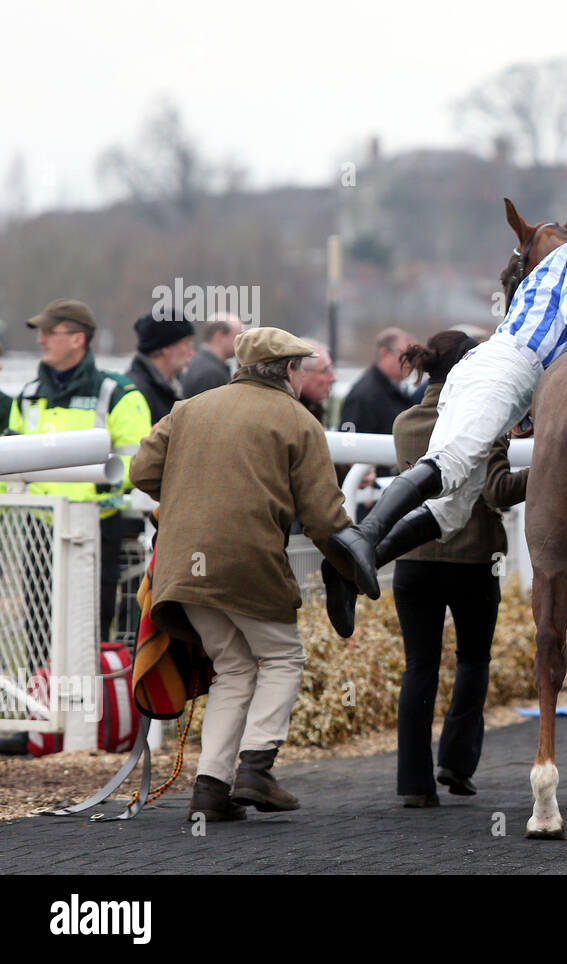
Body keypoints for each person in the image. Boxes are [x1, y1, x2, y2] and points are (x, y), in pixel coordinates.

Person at [322, 192, 567, 633]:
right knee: (451, 465)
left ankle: (347, 571)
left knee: (452, 511)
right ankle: (362, 536)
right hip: (505, 369)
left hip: (500, 373)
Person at [131, 328, 357, 821]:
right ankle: (257, 767)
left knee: (233, 666)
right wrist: (354, 558)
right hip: (248, 564)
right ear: (290, 371)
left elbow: (143, 473)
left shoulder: (190, 407)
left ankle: (210, 790)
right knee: (282, 657)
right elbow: (323, 517)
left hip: (181, 566)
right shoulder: (298, 420)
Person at [391, 331, 528, 806]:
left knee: (419, 668)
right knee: (473, 661)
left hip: (412, 560)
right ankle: (456, 759)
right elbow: (497, 491)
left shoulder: (404, 421)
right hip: (473, 559)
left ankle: (414, 783)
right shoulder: (482, 418)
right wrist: (553, 466)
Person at [8, 300, 152, 642]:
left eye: (48, 332)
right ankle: (41, 692)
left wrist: (96, 491)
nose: (41, 340)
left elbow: (138, 461)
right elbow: (10, 466)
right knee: (39, 632)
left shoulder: (116, 393)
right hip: (41, 529)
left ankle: (87, 696)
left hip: (96, 529)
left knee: (89, 633)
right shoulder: (28, 395)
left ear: (78, 339)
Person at [340, 327, 414, 437]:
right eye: (406, 355)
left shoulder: (398, 390)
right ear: (384, 353)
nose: (411, 363)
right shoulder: (364, 396)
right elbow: (349, 443)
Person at [125, 312, 195, 424]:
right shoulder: (137, 391)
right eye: (186, 344)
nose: (191, 352)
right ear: (166, 347)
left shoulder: (171, 387)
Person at [182, 313, 242, 397]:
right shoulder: (210, 374)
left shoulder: (204, 365)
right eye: (237, 337)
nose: (240, 343)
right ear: (220, 335)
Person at [297, 338, 337, 426]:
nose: (333, 378)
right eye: (325, 371)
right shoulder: (291, 416)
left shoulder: (312, 409)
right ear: (301, 373)